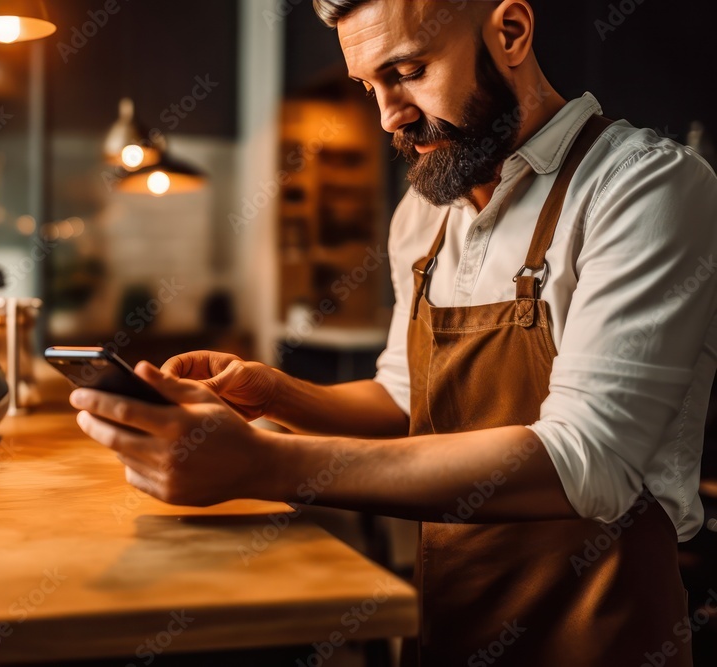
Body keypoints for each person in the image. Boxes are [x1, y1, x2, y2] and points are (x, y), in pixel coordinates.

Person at [69, 1, 717, 664]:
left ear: (511, 32)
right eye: (369, 87)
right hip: (446, 619)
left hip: (601, 635)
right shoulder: (424, 213)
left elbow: (589, 462)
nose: (389, 116)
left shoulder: (645, 188)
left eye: (408, 71)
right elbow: (407, 401)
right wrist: (277, 396)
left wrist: (263, 463)